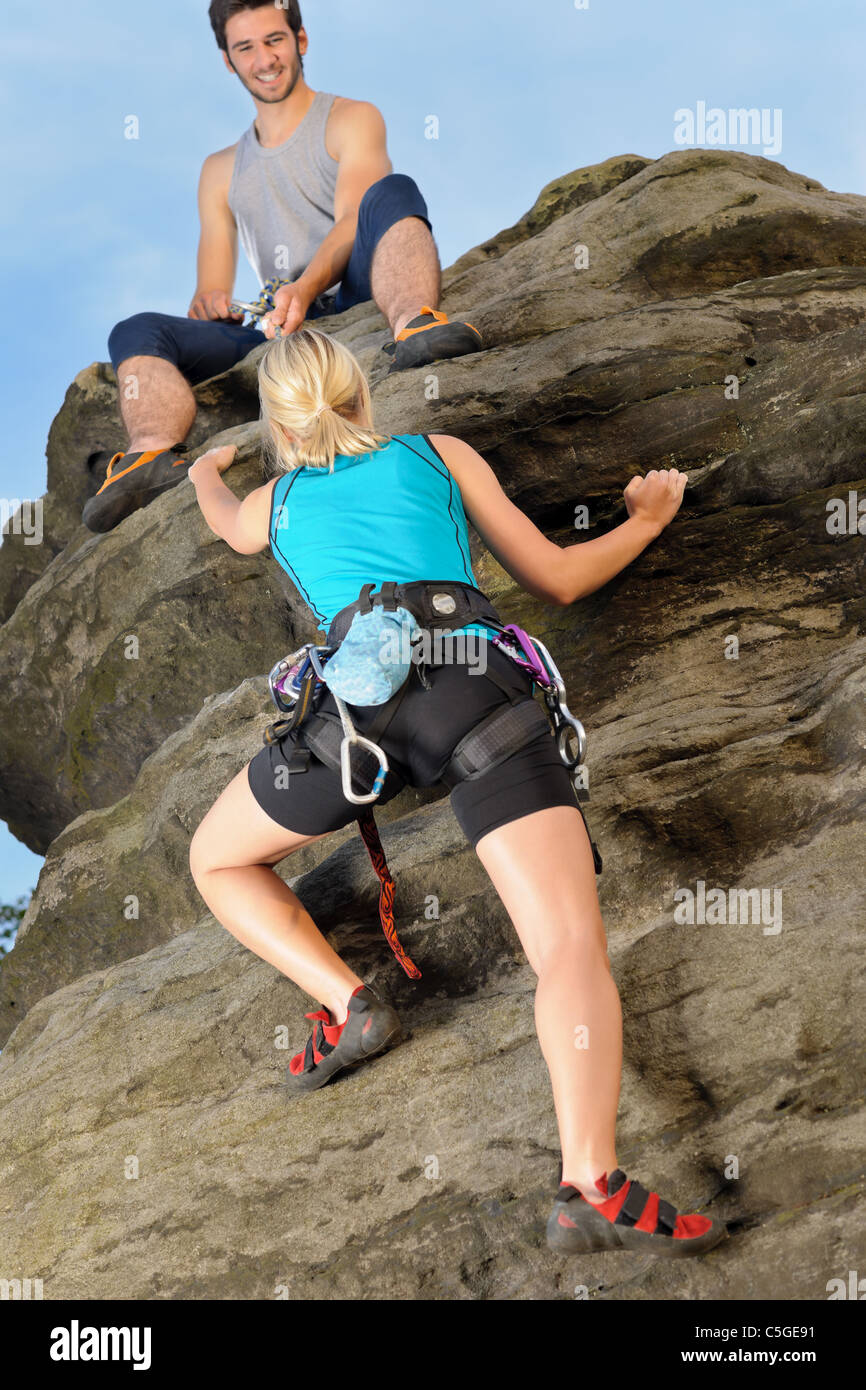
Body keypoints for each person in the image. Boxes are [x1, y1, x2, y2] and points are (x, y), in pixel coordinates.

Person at [186, 327, 726, 1258]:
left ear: (280, 423)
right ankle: (589, 1182)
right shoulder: (437, 454)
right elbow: (554, 577)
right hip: (476, 689)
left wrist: (208, 464)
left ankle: (350, 1002)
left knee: (216, 859)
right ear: (363, 394)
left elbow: (221, 516)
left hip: (350, 721)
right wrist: (644, 518)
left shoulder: (269, 503)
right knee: (565, 945)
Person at [85, 0, 481, 534]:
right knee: (134, 331)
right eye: (244, 47)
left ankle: (415, 323)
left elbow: (350, 221)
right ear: (227, 60)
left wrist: (306, 285)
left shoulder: (350, 118)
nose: (264, 59)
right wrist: (210, 305)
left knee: (393, 191)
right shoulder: (219, 170)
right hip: (276, 324)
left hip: (349, 292)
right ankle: (150, 456)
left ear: (301, 39)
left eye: (274, 40)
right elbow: (212, 286)